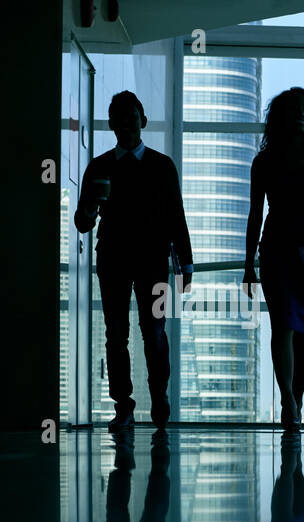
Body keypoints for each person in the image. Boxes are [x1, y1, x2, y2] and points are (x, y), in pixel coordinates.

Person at [74, 91, 193, 432]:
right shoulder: (99, 166)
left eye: (131, 116)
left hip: (153, 260)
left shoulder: (161, 166)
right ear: (111, 124)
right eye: (119, 117)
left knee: (153, 331)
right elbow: (83, 223)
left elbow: (175, 216)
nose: (125, 123)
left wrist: (186, 264)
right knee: (116, 334)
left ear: (142, 121)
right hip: (113, 259)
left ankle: (158, 394)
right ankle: (124, 404)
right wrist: (91, 207)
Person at [243, 88, 304, 430]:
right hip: (276, 249)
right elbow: (255, 213)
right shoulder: (263, 161)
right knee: (282, 324)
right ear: (280, 116)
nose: (301, 114)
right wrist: (247, 263)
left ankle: (296, 399)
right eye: (293, 109)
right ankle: (288, 401)